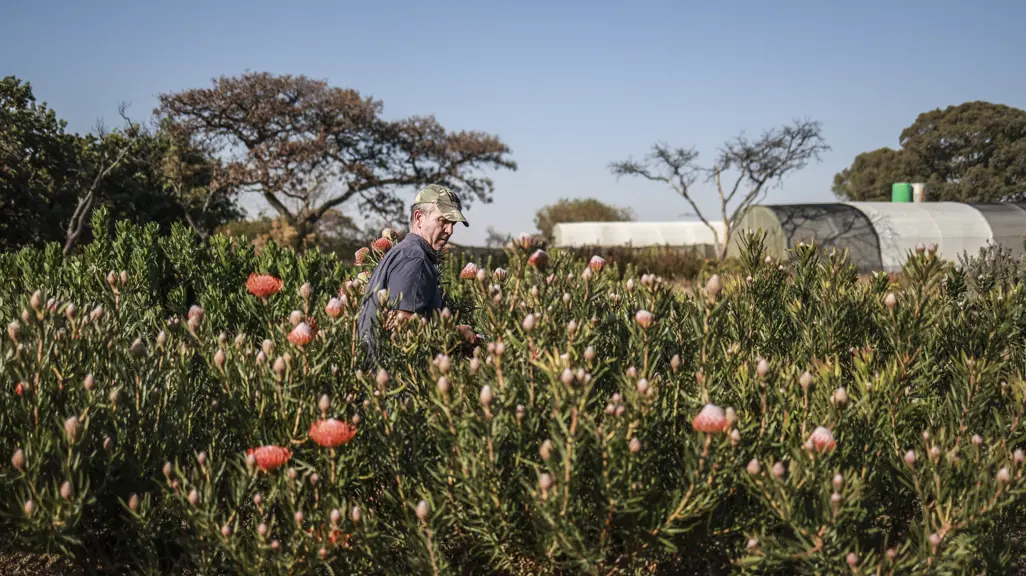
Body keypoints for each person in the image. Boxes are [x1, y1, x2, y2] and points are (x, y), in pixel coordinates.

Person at [357, 184, 478, 360]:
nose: (450, 230)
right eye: (443, 221)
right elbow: (403, 330)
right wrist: (459, 335)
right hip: (394, 379)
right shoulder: (415, 260)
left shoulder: (402, 252)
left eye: (453, 224)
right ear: (419, 218)